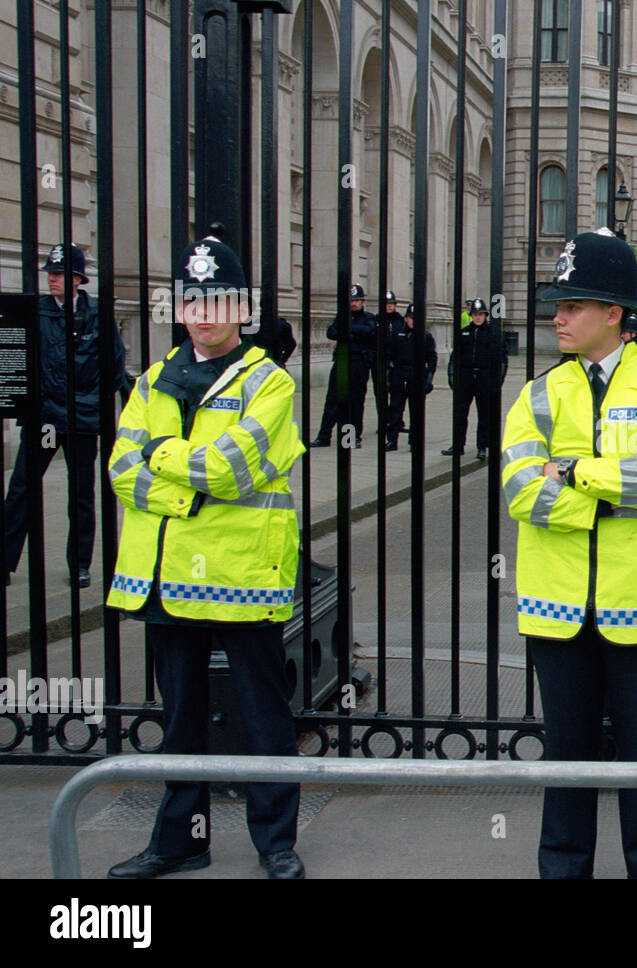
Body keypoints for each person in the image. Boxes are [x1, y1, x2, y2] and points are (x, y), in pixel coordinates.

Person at [500, 228, 637, 878]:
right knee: (567, 759)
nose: (557, 317)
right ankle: (562, 871)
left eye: (573, 305)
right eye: (557, 305)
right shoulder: (536, 393)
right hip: (558, 612)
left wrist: (575, 473)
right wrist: (607, 491)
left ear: (615, 313)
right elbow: (520, 492)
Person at [104, 235, 306, 879]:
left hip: (242, 578)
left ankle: (276, 843)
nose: (204, 313)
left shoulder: (268, 383)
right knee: (181, 724)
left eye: (218, 300)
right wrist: (187, 483)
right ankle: (180, 841)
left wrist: (164, 461)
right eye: (193, 300)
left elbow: (230, 470)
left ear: (242, 309)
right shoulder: (154, 380)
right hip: (164, 582)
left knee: (265, 721)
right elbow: (118, 470)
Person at [4, 242, 128, 589]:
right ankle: (6, 559)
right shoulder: (36, 311)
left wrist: (89, 399)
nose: (52, 280)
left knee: (82, 494)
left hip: (82, 416)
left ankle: (81, 565)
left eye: (59, 274)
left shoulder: (96, 313)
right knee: (22, 488)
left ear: (77, 279)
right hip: (44, 416)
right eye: (51, 274)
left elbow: (113, 365)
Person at [310, 284, 376, 448]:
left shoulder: (369, 317)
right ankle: (324, 436)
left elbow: (369, 332)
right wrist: (353, 332)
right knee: (332, 400)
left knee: (355, 402)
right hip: (341, 363)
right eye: (352, 301)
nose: (354, 304)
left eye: (357, 300)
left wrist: (348, 330)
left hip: (358, 364)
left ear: (362, 302)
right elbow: (331, 333)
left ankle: (352, 437)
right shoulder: (342, 316)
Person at [443, 296, 506, 461]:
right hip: (465, 376)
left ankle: (482, 446)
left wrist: (497, 380)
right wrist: (452, 376)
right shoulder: (464, 332)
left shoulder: (493, 333)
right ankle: (458, 445)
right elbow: (454, 357)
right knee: (460, 413)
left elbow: (502, 359)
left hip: (484, 377)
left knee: (484, 414)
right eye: (475, 314)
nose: (477, 317)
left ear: (485, 315)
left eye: (481, 314)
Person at [385, 302, 438, 452]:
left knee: (416, 410)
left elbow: (432, 358)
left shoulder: (426, 337)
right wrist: (389, 375)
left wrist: (429, 378)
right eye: (411, 318)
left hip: (417, 374)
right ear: (406, 319)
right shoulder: (397, 334)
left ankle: (414, 441)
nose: (413, 321)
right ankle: (392, 440)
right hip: (399, 373)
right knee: (395, 408)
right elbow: (389, 355)